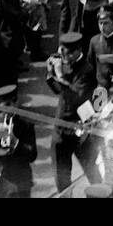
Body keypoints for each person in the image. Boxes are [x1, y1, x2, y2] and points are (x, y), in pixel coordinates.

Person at [46, 31, 102, 191]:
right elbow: (58, 90)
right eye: (63, 52)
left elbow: (75, 97)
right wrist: (50, 73)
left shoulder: (87, 69)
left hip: (80, 130)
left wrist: (59, 74)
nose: (65, 57)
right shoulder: (63, 63)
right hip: (61, 129)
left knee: (92, 172)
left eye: (69, 53)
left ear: (78, 50)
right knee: (61, 177)